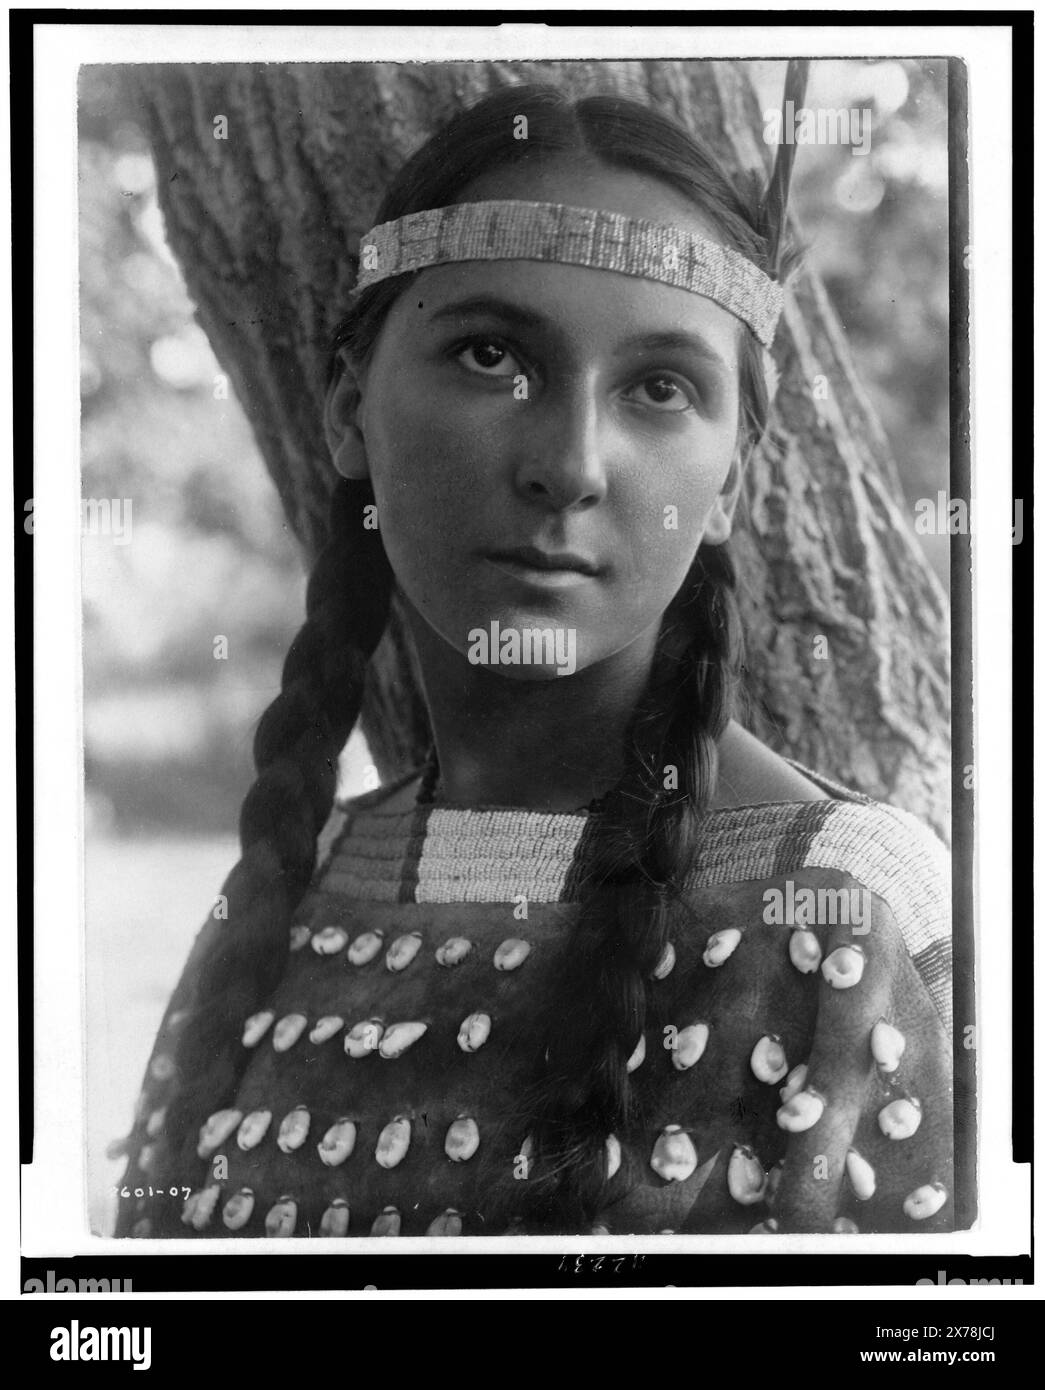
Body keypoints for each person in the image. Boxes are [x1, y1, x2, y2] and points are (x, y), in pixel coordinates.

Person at [113, 83, 952, 1240]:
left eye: (659, 388)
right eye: (492, 353)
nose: (571, 462)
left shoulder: (848, 914)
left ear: (730, 485)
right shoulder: (289, 884)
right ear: (351, 413)